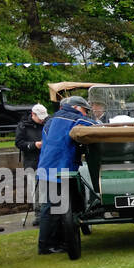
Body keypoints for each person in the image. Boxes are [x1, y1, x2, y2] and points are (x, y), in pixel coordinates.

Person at [36, 95, 96, 254]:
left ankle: (53, 243)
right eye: (84, 110)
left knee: (51, 206)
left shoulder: (51, 120)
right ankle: (48, 245)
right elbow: (95, 126)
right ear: (76, 108)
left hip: (46, 167)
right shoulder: (73, 118)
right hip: (59, 167)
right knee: (54, 207)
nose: (85, 114)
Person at [15, 103, 48, 224]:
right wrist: (34, 145)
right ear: (33, 114)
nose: (42, 119)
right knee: (35, 189)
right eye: (40, 117)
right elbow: (19, 143)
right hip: (32, 162)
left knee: (46, 188)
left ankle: (47, 212)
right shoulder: (23, 126)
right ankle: (38, 214)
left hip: (45, 161)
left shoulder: (46, 124)